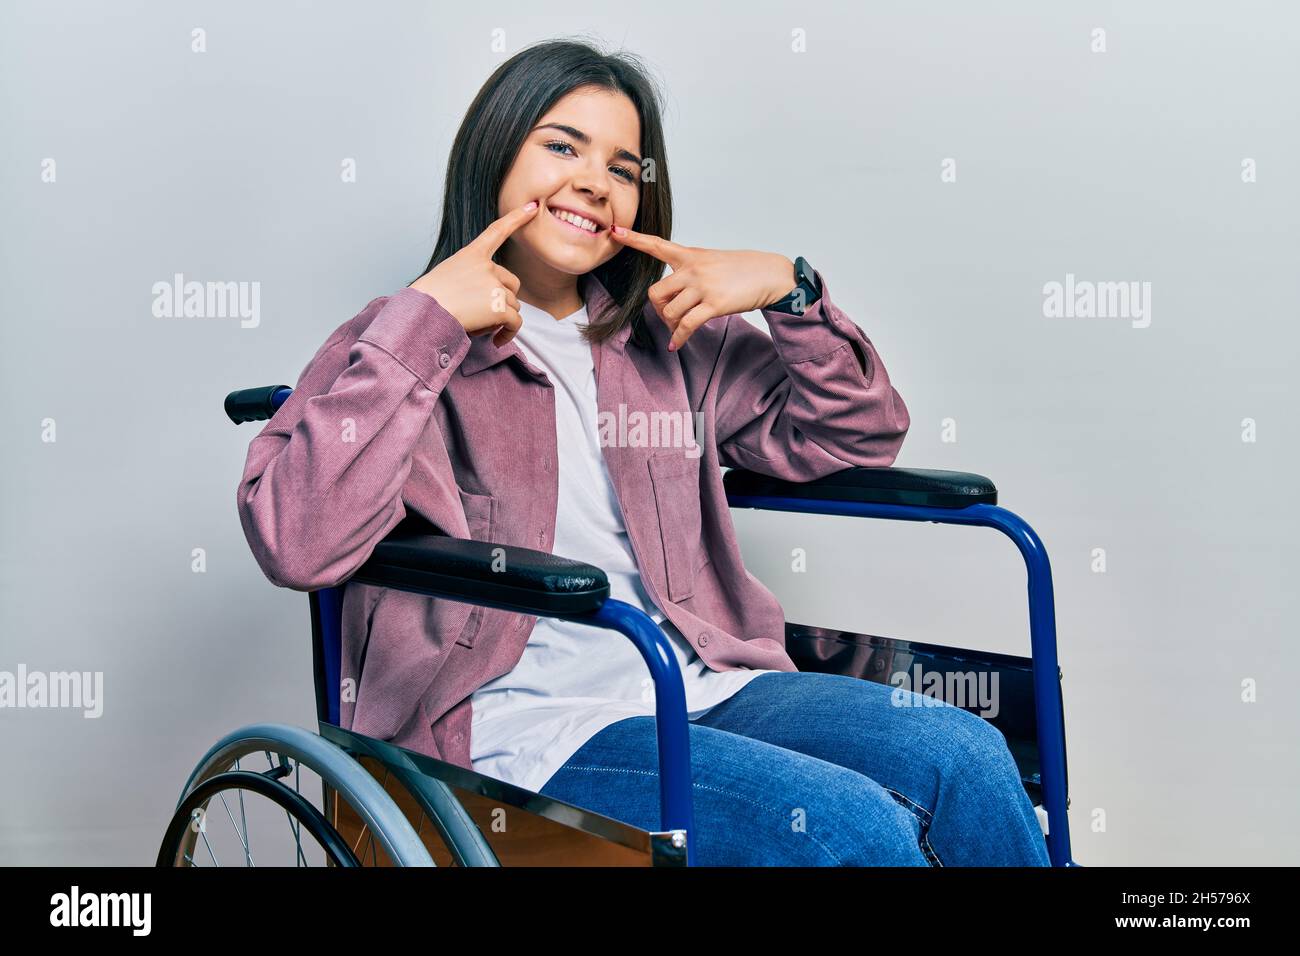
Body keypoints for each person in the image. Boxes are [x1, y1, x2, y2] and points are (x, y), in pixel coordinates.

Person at [237, 37, 1049, 866]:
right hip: (518, 719)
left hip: (705, 678)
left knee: (965, 756)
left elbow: (857, 435)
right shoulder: (400, 336)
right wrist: (426, 322)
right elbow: (298, 541)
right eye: (562, 145)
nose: (594, 180)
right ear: (494, 153)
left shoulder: (671, 336)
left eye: (624, 168)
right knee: (847, 828)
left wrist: (790, 293)